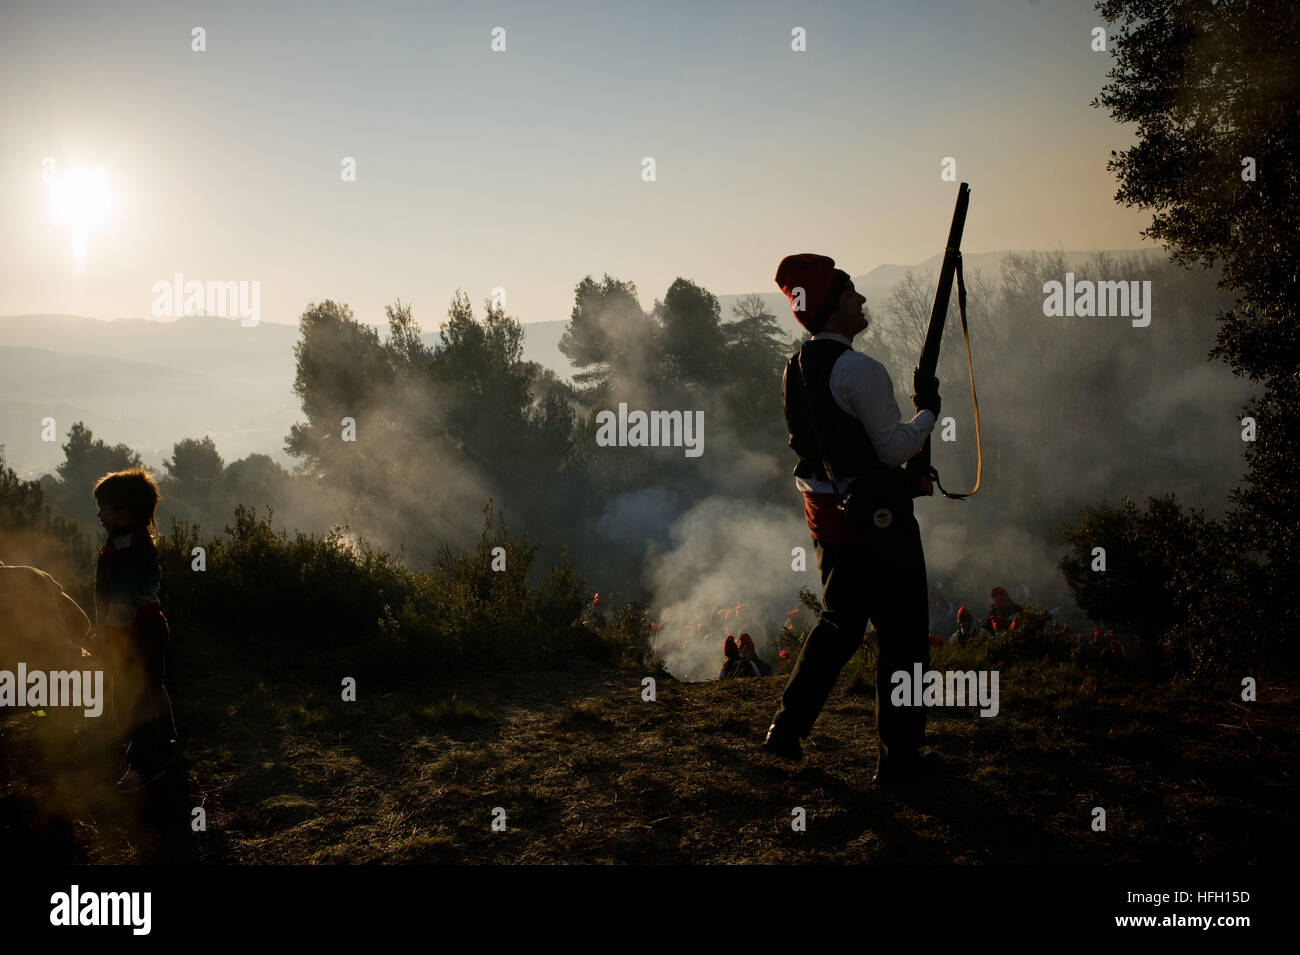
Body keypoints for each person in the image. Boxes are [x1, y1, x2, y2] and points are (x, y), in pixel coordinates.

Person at [761, 253, 940, 789]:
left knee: (839, 624)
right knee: (904, 638)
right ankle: (900, 762)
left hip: (829, 517)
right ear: (831, 309)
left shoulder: (794, 368)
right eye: (850, 294)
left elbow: (829, 452)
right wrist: (928, 411)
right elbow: (890, 450)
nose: (860, 300)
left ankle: (786, 729)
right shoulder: (862, 370)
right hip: (877, 521)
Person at [92, 468, 178, 793]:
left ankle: (144, 767)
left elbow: (123, 605)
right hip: (152, 629)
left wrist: (106, 639)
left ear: (123, 512)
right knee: (152, 692)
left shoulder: (126, 550)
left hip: (133, 635)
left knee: (130, 700)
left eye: (104, 507)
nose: (98, 513)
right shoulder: (131, 539)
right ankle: (166, 751)